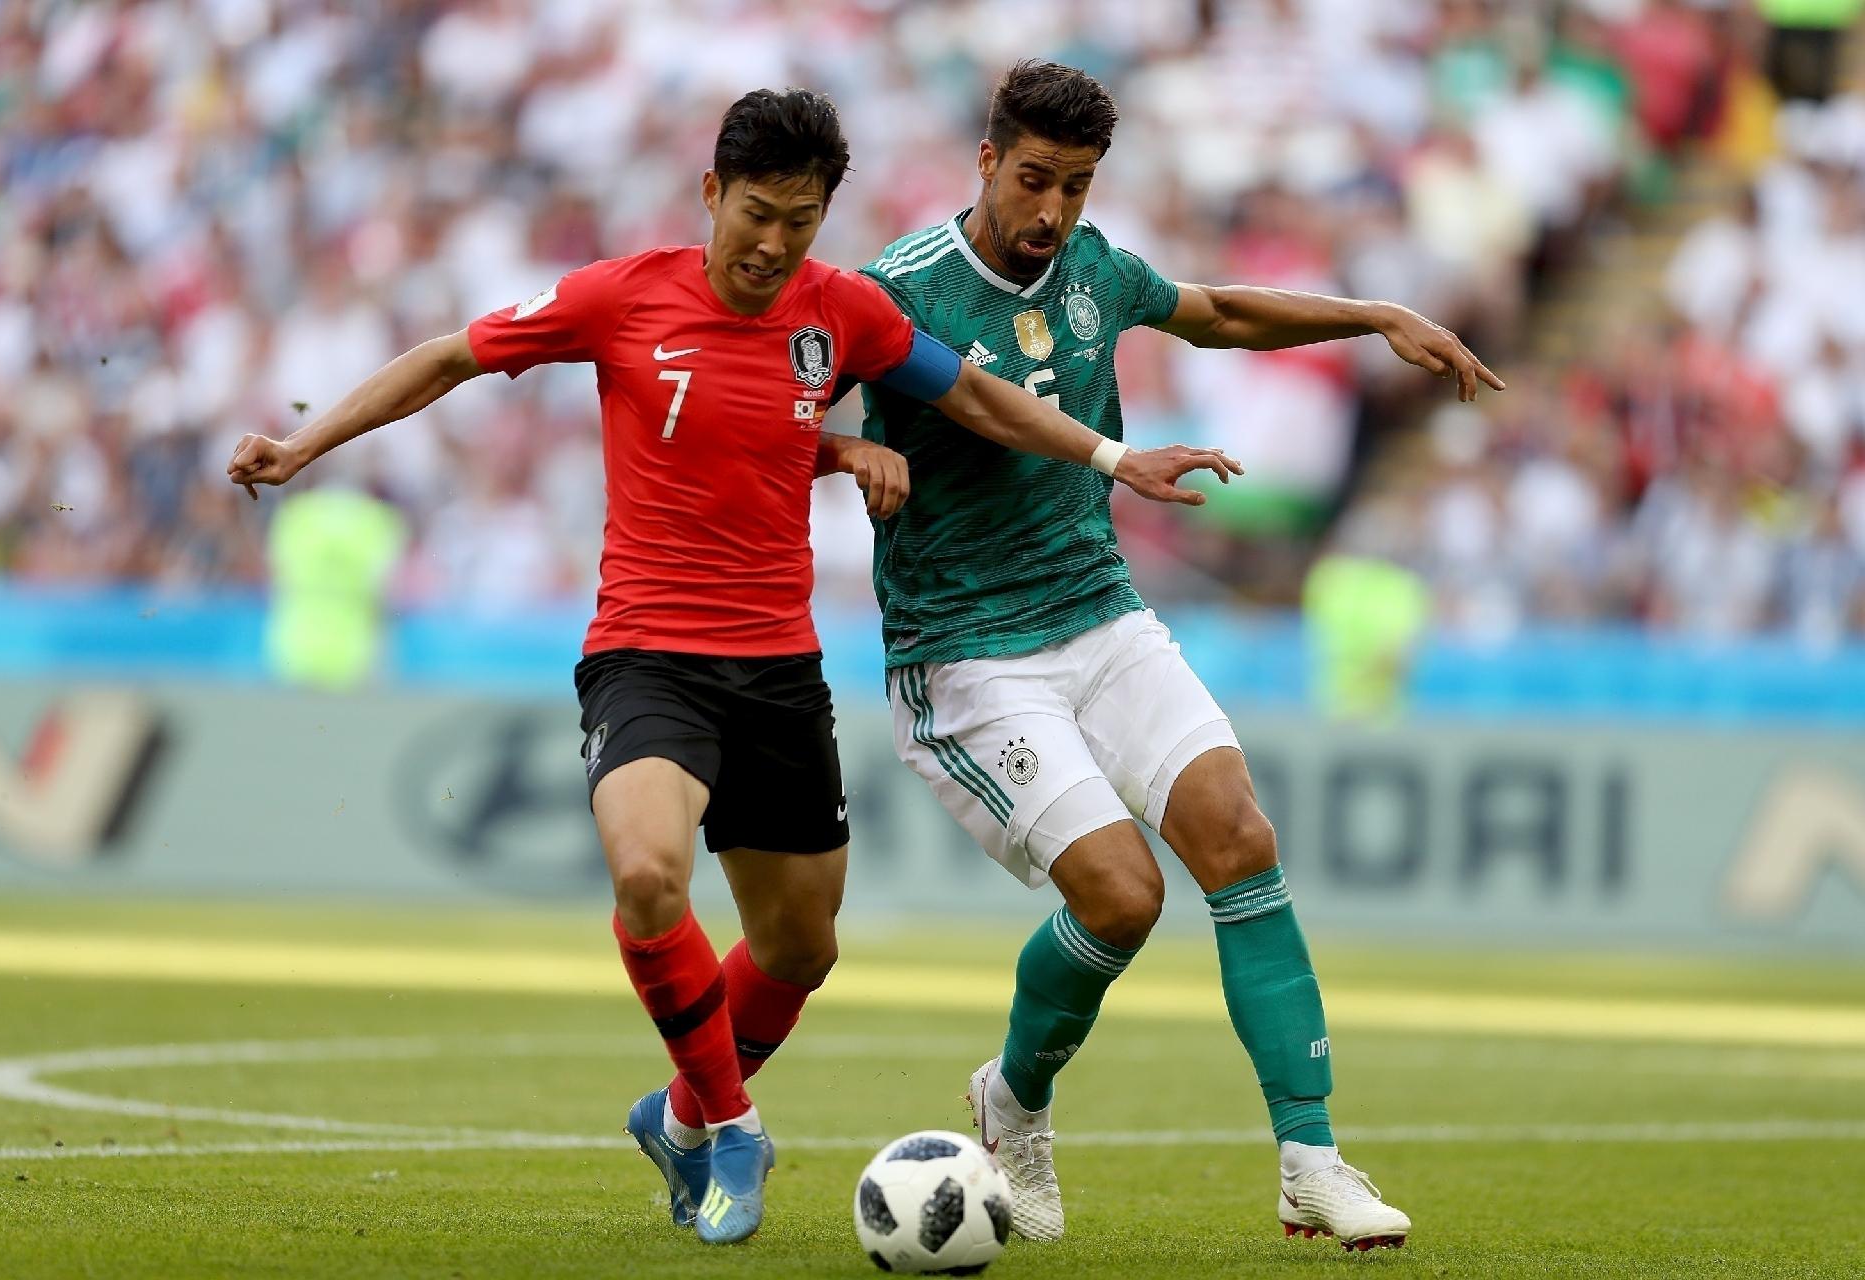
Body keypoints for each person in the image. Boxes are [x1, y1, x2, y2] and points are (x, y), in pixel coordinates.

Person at [227, 86, 1237, 1247]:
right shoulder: (620, 296)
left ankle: (679, 1111)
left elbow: (967, 396)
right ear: (712, 192)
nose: (772, 244)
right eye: (756, 213)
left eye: (800, 221)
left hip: (779, 666)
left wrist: (1110, 454)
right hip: (646, 653)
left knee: (802, 944)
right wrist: (306, 445)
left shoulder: (840, 313)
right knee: (651, 875)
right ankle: (733, 1121)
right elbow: (453, 357)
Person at [856, 61, 1503, 1252]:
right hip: (964, 651)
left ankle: (1311, 1157)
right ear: (987, 160)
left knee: (1240, 836)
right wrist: (848, 454)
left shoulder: (1099, 269)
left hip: (1100, 612)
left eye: (1080, 186)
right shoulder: (894, 292)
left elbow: (1217, 312)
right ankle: (1015, 1098)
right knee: (1121, 895)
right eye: (1037, 179)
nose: (1054, 211)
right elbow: (786, 402)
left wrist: (1371, 315)